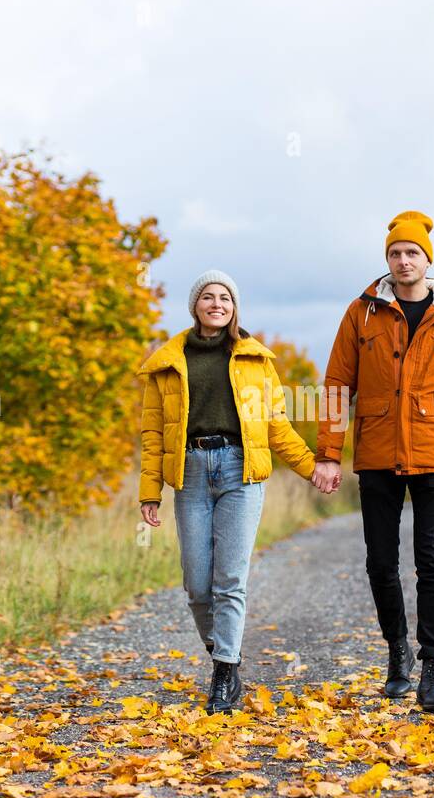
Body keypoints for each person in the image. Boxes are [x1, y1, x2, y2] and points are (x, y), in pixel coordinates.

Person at [311, 211, 434, 711]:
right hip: (376, 454)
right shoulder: (363, 312)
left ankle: (432, 670)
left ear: (427, 260)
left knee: (433, 563)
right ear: (387, 260)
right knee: (380, 562)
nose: (403, 260)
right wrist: (328, 454)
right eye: (395, 253)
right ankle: (397, 651)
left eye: (412, 253)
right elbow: (335, 387)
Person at [137, 269, 324, 714]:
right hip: (191, 471)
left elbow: (277, 426)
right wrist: (149, 493)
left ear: (235, 307)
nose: (217, 303)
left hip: (241, 470)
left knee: (230, 580)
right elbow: (151, 435)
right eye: (208, 296)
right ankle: (230, 659)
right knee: (198, 585)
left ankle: (223, 674)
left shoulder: (256, 360)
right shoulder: (168, 363)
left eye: (225, 297)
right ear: (195, 306)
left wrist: (311, 468)